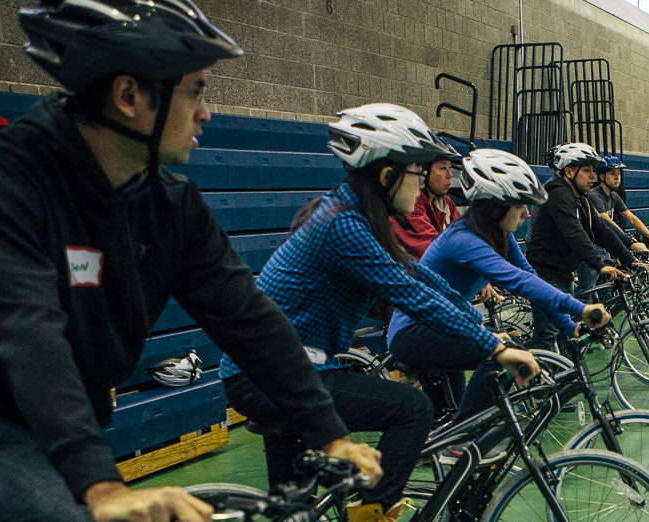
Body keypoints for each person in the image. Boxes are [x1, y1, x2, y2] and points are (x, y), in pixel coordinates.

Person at [0, 2, 382, 521]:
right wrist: (104, 487)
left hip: (57, 413)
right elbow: (26, 334)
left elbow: (249, 319)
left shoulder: (171, 202)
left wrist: (331, 435)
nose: (205, 112)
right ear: (128, 96)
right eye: (195, 91)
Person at [219, 103, 539, 522]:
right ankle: (373, 513)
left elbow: (420, 277)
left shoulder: (355, 216)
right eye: (418, 171)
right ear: (387, 174)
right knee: (413, 408)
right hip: (275, 375)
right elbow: (412, 295)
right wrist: (493, 348)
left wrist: (473, 321)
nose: (422, 182)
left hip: (271, 371)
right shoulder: (343, 225)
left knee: (294, 507)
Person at [387, 149, 609, 425]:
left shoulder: (498, 234)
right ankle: (467, 436)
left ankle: (465, 434)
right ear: (497, 206)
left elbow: (529, 275)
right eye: (521, 205)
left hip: (449, 326)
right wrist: (580, 308)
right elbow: (518, 281)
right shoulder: (463, 239)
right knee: (498, 359)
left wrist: (567, 325)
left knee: (459, 413)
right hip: (414, 332)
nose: (527, 213)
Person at [524, 143, 644, 351]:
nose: (593, 176)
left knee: (565, 338)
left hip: (562, 274)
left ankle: (558, 371)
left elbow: (602, 230)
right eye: (586, 170)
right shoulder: (559, 195)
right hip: (546, 275)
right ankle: (527, 370)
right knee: (547, 336)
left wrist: (630, 259)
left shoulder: (581, 199)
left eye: (593, 170)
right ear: (569, 172)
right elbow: (575, 234)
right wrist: (600, 265)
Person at [575, 155, 649, 299]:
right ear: (602, 176)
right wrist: (629, 243)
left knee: (605, 292)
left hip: (604, 247)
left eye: (618, 173)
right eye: (612, 173)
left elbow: (631, 218)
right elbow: (606, 223)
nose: (617, 177)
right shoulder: (594, 195)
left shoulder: (613, 196)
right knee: (587, 292)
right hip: (592, 247)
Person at [389, 156, 460, 259]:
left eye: (450, 168)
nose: (449, 175)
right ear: (424, 171)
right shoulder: (409, 203)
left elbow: (464, 235)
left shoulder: (445, 203)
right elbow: (433, 249)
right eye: (443, 168)